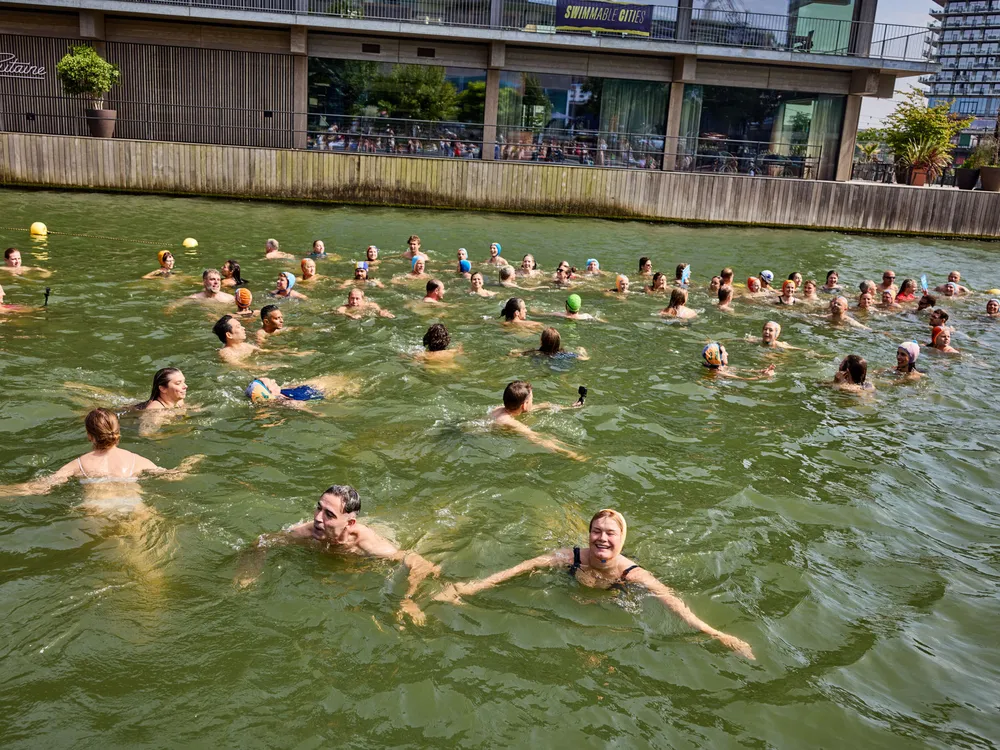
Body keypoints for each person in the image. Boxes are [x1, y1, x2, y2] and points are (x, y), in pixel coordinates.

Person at [433, 508, 755, 658]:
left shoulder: (634, 575)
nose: (601, 538)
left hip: (610, 596)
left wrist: (718, 634)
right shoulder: (571, 557)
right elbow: (522, 568)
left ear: (621, 539)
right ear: (588, 534)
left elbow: (674, 605)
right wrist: (471, 587)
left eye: (610, 533)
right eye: (596, 531)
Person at [234, 485, 441, 624]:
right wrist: (248, 572)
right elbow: (262, 541)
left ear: (349, 523)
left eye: (329, 515)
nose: (317, 518)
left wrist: (407, 599)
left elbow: (417, 562)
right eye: (318, 508)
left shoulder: (368, 545)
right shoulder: (307, 532)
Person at [0, 409, 203, 505]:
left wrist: (5, 490)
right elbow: (173, 476)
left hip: (95, 512)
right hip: (132, 509)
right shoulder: (136, 460)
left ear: (89, 436)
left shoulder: (78, 464)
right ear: (118, 433)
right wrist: (191, 461)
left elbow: (40, 487)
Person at [488, 380, 584, 459]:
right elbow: (536, 438)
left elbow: (544, 405)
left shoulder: (502, 408)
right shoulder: (508, 421)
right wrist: (570, 452)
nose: (533, 403)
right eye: (531, 400)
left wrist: (569, 407)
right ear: (524, 405)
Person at [701, 342, 775, 380]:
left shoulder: (721, 367)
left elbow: (742, 370)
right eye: (724, 352)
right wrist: (764, 376)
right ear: (718, 358)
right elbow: (744, 379)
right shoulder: (720, 372)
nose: (727, 354)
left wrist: (761, 371)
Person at [512, 327, 589, 360]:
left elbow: (515, 355)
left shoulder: (535, 353)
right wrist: (582, 351)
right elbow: (585, 358)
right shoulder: (564, 353)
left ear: (541, 341)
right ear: (558, 343)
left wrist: (514, 351)